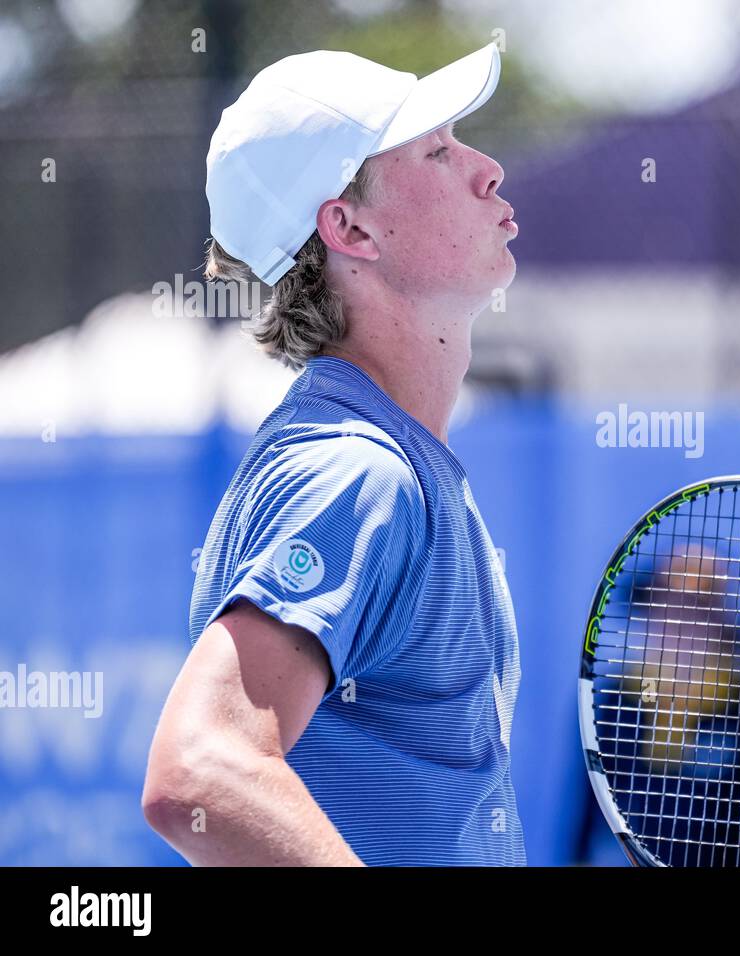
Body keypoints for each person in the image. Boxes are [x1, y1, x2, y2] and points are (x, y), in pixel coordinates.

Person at [141, 42, 524, 866]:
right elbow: (201, 769)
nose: (486, 168)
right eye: (438, 149)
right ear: (347, 228)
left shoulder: (385, 461)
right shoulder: (356, 471)